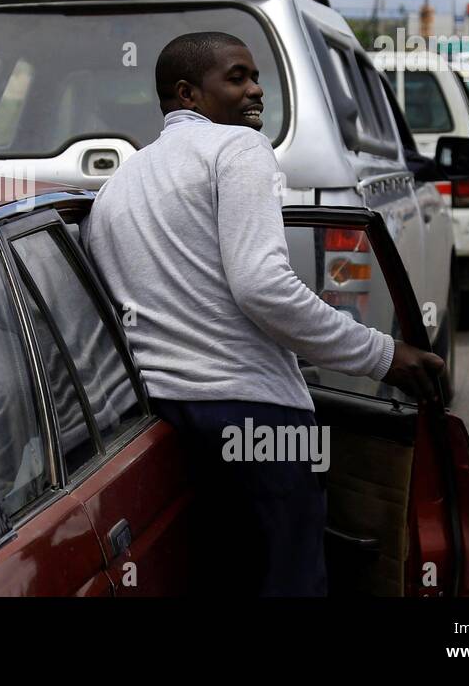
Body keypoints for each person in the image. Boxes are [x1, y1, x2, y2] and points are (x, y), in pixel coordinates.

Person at [82, 31, 443, 596]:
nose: (255, 91)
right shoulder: (238, 148)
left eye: (256, 77)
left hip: (161, 422)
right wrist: (382, 355)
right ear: (188, 93)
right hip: (258, 419)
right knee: (291, 581)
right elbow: (263, 288)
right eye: (237, 77)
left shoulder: (117, 185)